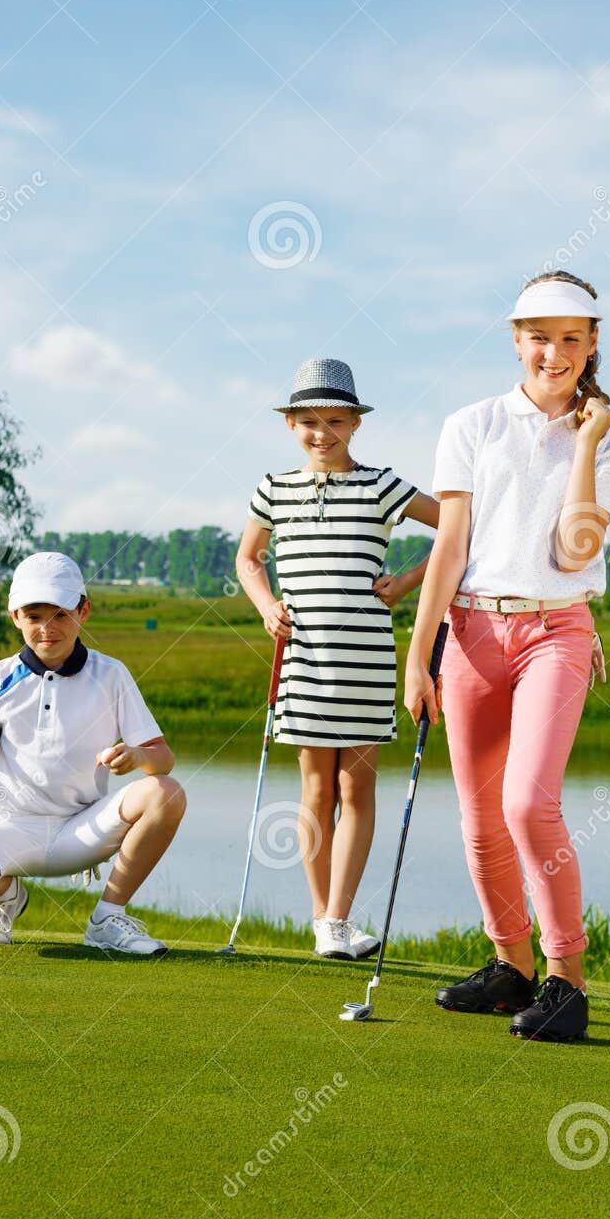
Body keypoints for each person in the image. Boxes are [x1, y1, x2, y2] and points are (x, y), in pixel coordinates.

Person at [404, 272, 610, 1041]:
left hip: (555, 633)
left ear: (592, 342)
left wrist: (587, 444)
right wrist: (419, 653)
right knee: (479, 822)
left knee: (527, 804)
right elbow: (451, 545)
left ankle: (567, 980)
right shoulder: (470, 425)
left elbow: (574, 553)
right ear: (514, 338)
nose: (554, 352)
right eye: (540, 336)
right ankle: (511, 968)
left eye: (572, 337)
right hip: (470, 634)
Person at [236, 357, 440, 961]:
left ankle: (337, 917)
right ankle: (325, 921)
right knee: (313, 789)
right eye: (308, 421)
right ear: (290, 425)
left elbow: (461, 526)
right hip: (304, 658)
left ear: (355, 423)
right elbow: (248, 560)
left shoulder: (383, 485)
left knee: (356, 788)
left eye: (334, 420)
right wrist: (266, 604)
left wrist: (405, 582)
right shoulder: (273, 489)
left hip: (366, 660)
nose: (321, 433)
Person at [0, 551, 186, 956]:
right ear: (16, 616)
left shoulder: (112, 674)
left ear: (83, 611)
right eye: (34, 617)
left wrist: (138, 757)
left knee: (167, 791)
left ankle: (106, 918)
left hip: (82, 830)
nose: (47, 629)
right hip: (4, 828)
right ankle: (6, 897)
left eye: (60, 615)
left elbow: (164, 758)